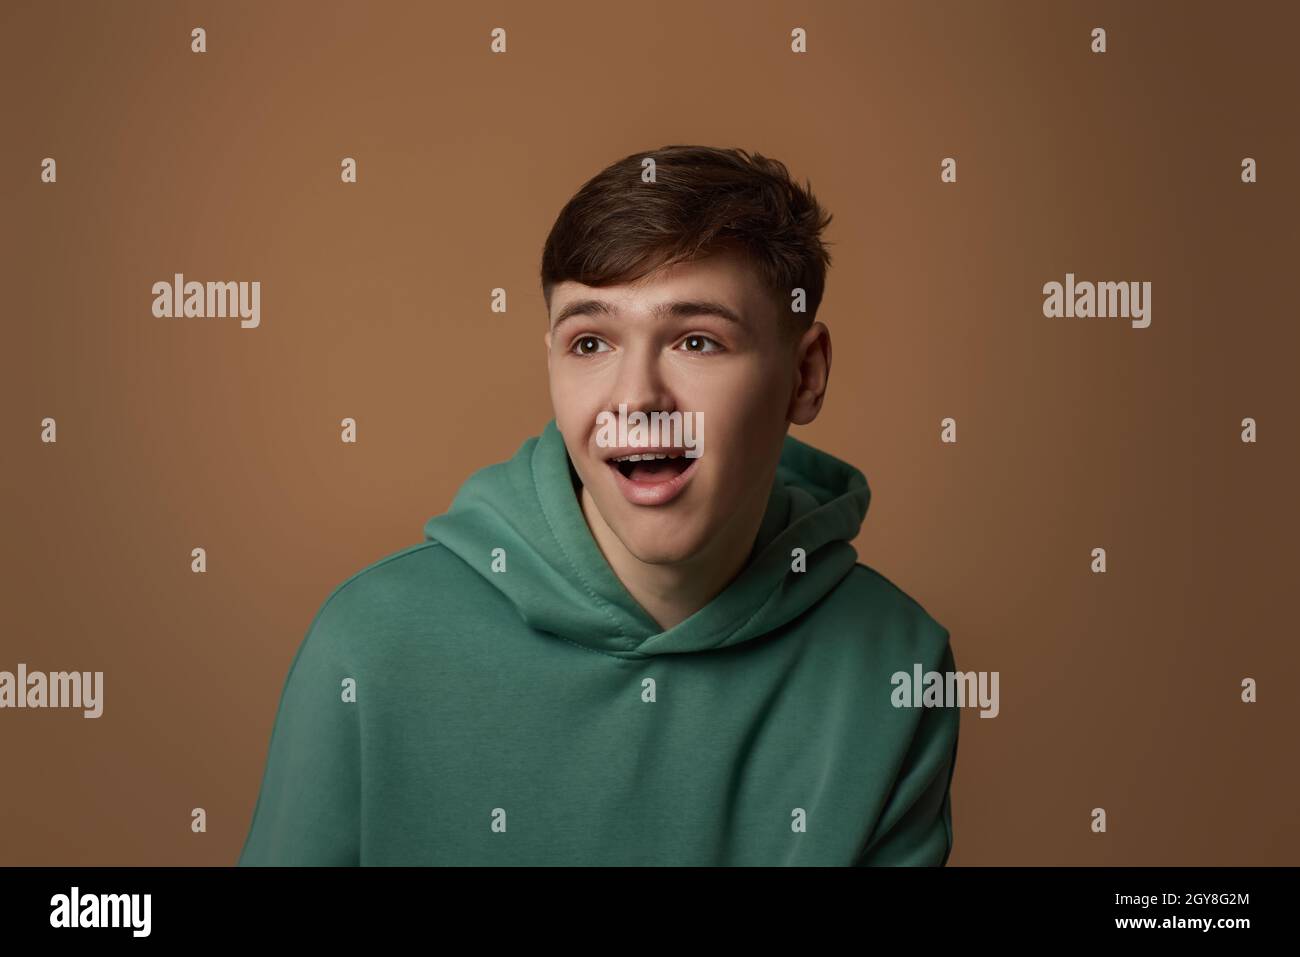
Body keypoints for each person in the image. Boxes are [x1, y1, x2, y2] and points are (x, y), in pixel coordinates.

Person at [238, 145, 959, 866]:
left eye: (697, 340)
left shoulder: (896, 665)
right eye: (590, 341)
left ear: (805, 374)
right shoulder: (368, 643)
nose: (636, 396)